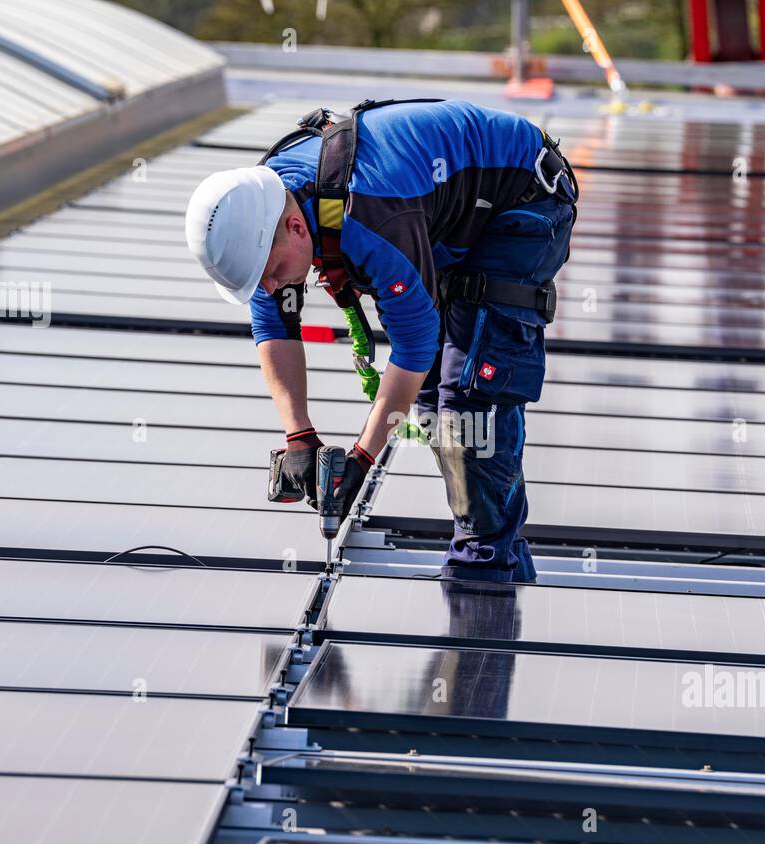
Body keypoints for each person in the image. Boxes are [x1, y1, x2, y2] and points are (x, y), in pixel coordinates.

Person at [185, 99, 577, 584]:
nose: (269, 287)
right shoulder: (267, 206)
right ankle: (498, 552)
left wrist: (362, 458)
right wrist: (299, 437)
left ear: (293, 228)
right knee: (431, 393)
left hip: (520, 198)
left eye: (269, 274)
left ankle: (486, 567)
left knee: (471, 394)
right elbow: (273, 327)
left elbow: (412, 346)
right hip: (441, 209)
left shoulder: (371, 217)